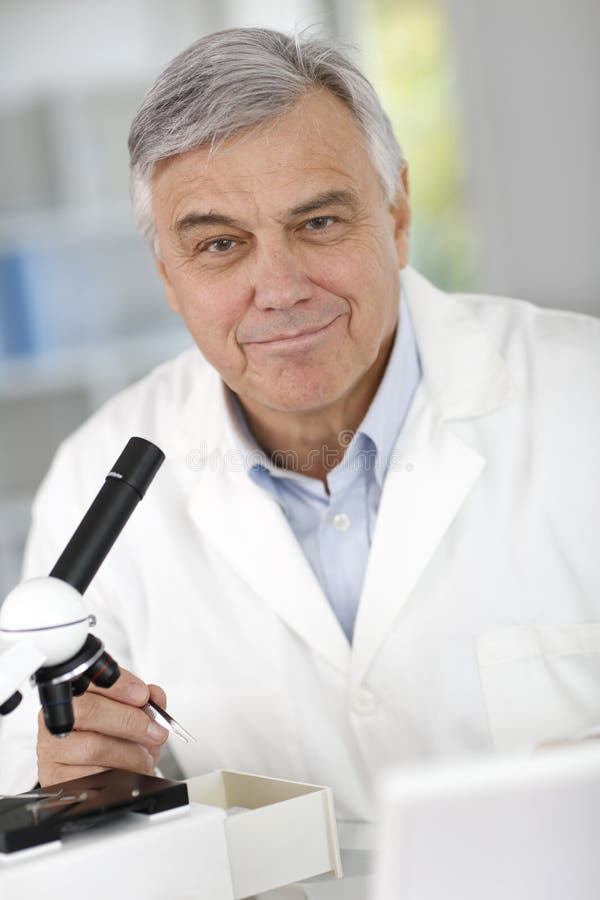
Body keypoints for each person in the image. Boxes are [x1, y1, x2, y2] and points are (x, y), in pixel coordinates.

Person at [1, 28, 599, 821]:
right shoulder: (90, 482)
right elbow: (28, 774)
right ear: (169, 278)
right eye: (220, 244)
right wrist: (72, 789)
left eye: (318, 223)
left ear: (397, 215)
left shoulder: (582, 400)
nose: (279, 289)